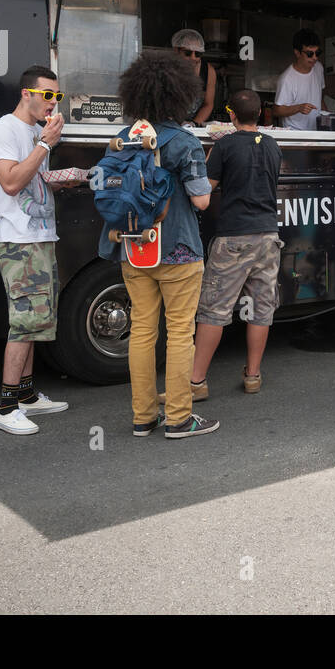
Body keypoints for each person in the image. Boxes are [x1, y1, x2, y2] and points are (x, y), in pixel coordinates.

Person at [98, 53, 217, 438]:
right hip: (179, 248)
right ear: (181, 94)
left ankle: (143, 416)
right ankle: (179, 418)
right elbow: (201, 201)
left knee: (143, 331)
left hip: (135, 247)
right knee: (180, 332)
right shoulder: (184, 141)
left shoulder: (122, 140)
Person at [0, 66, 70, 435]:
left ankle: (27, 394)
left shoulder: (37, 132)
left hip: (41, 235)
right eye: (47, 95)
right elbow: (10, 182)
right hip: (17, 240)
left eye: (57, 96)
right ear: (26, 93)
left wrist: (66, 177)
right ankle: (5, 407)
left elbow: (33, 181)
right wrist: (46, 145)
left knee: (37, 319)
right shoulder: (4, 129)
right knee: (23, 322)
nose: (53, 102)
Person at [190, 89, 286, 395]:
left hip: (234, 237)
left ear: (231, 115)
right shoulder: (273, 145)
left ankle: (196, 382)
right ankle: (253, 375)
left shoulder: (225, 145)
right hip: (269, 236)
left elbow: (206, 189)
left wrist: (208, 160)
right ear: (259, 115)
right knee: (261, 309)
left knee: (214, 310)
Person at [272, 29, 324, 131]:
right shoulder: (287, 79)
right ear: (297, 53)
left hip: (316, 132)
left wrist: (329, 116)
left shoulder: (318, 68)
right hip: (295, 134)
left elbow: (319, 97)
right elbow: (276, 110)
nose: (315, 58)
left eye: (317, 53)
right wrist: (299, 108)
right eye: (310, 54)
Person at [172, 28, 216, 125]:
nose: (193, 58)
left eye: (198, 54)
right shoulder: (166, 70)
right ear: (176, 50)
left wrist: (194, 124)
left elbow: (208, 104)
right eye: (187, 53)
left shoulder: (208, 72)